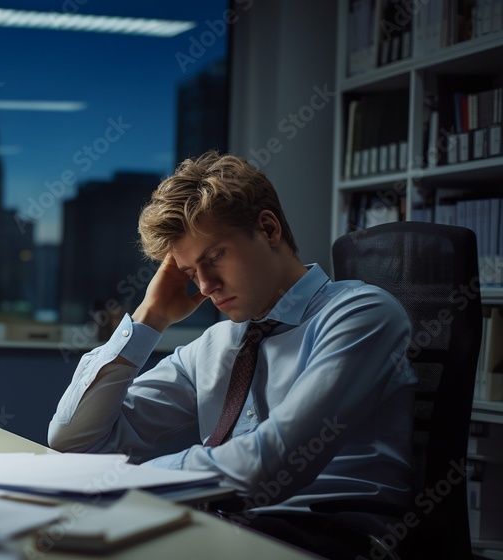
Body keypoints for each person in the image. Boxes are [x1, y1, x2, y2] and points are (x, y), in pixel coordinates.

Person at [48, 151, 417, 558]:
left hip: (334, 535)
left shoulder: (361, 314)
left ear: (268, 229)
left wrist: (122, 483)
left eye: (214, 257)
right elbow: (75, 441)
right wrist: (149, 319)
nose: (205, 286)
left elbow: (274, 462)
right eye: (190, 272)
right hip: (226, 526)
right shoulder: (215, 345)